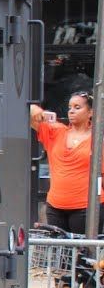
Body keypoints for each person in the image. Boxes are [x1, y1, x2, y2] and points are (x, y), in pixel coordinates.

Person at [31, 90, 103, 234]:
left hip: (86, 207)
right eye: (70, 107)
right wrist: (37, 111)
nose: (71, 111)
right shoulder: (56, 132)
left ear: (91, 112)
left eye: (77, 107)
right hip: (55, 206)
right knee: (60, 254)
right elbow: (26, 111)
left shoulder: (98, 139)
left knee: (83, 253)